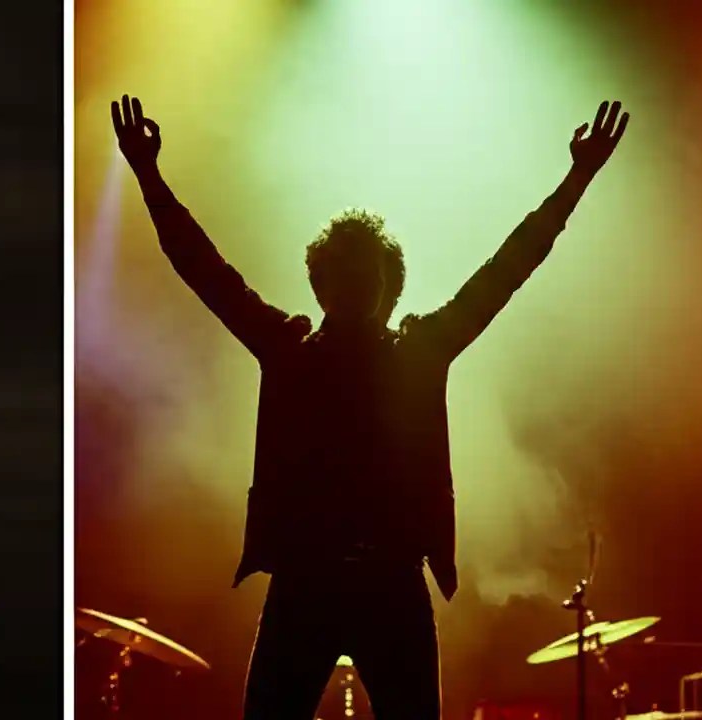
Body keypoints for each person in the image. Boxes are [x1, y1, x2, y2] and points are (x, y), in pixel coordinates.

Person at [110, 94, 629, 719]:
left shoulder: (385, 351)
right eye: (344, 275)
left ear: (387, 289)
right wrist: (147, 175)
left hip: (377, 587)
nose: (354, 287)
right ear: (321, 285)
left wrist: (576, 180)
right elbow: (201, 266)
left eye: (364, 276)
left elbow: (509, 267)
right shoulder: (307, 349)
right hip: (320, 586)